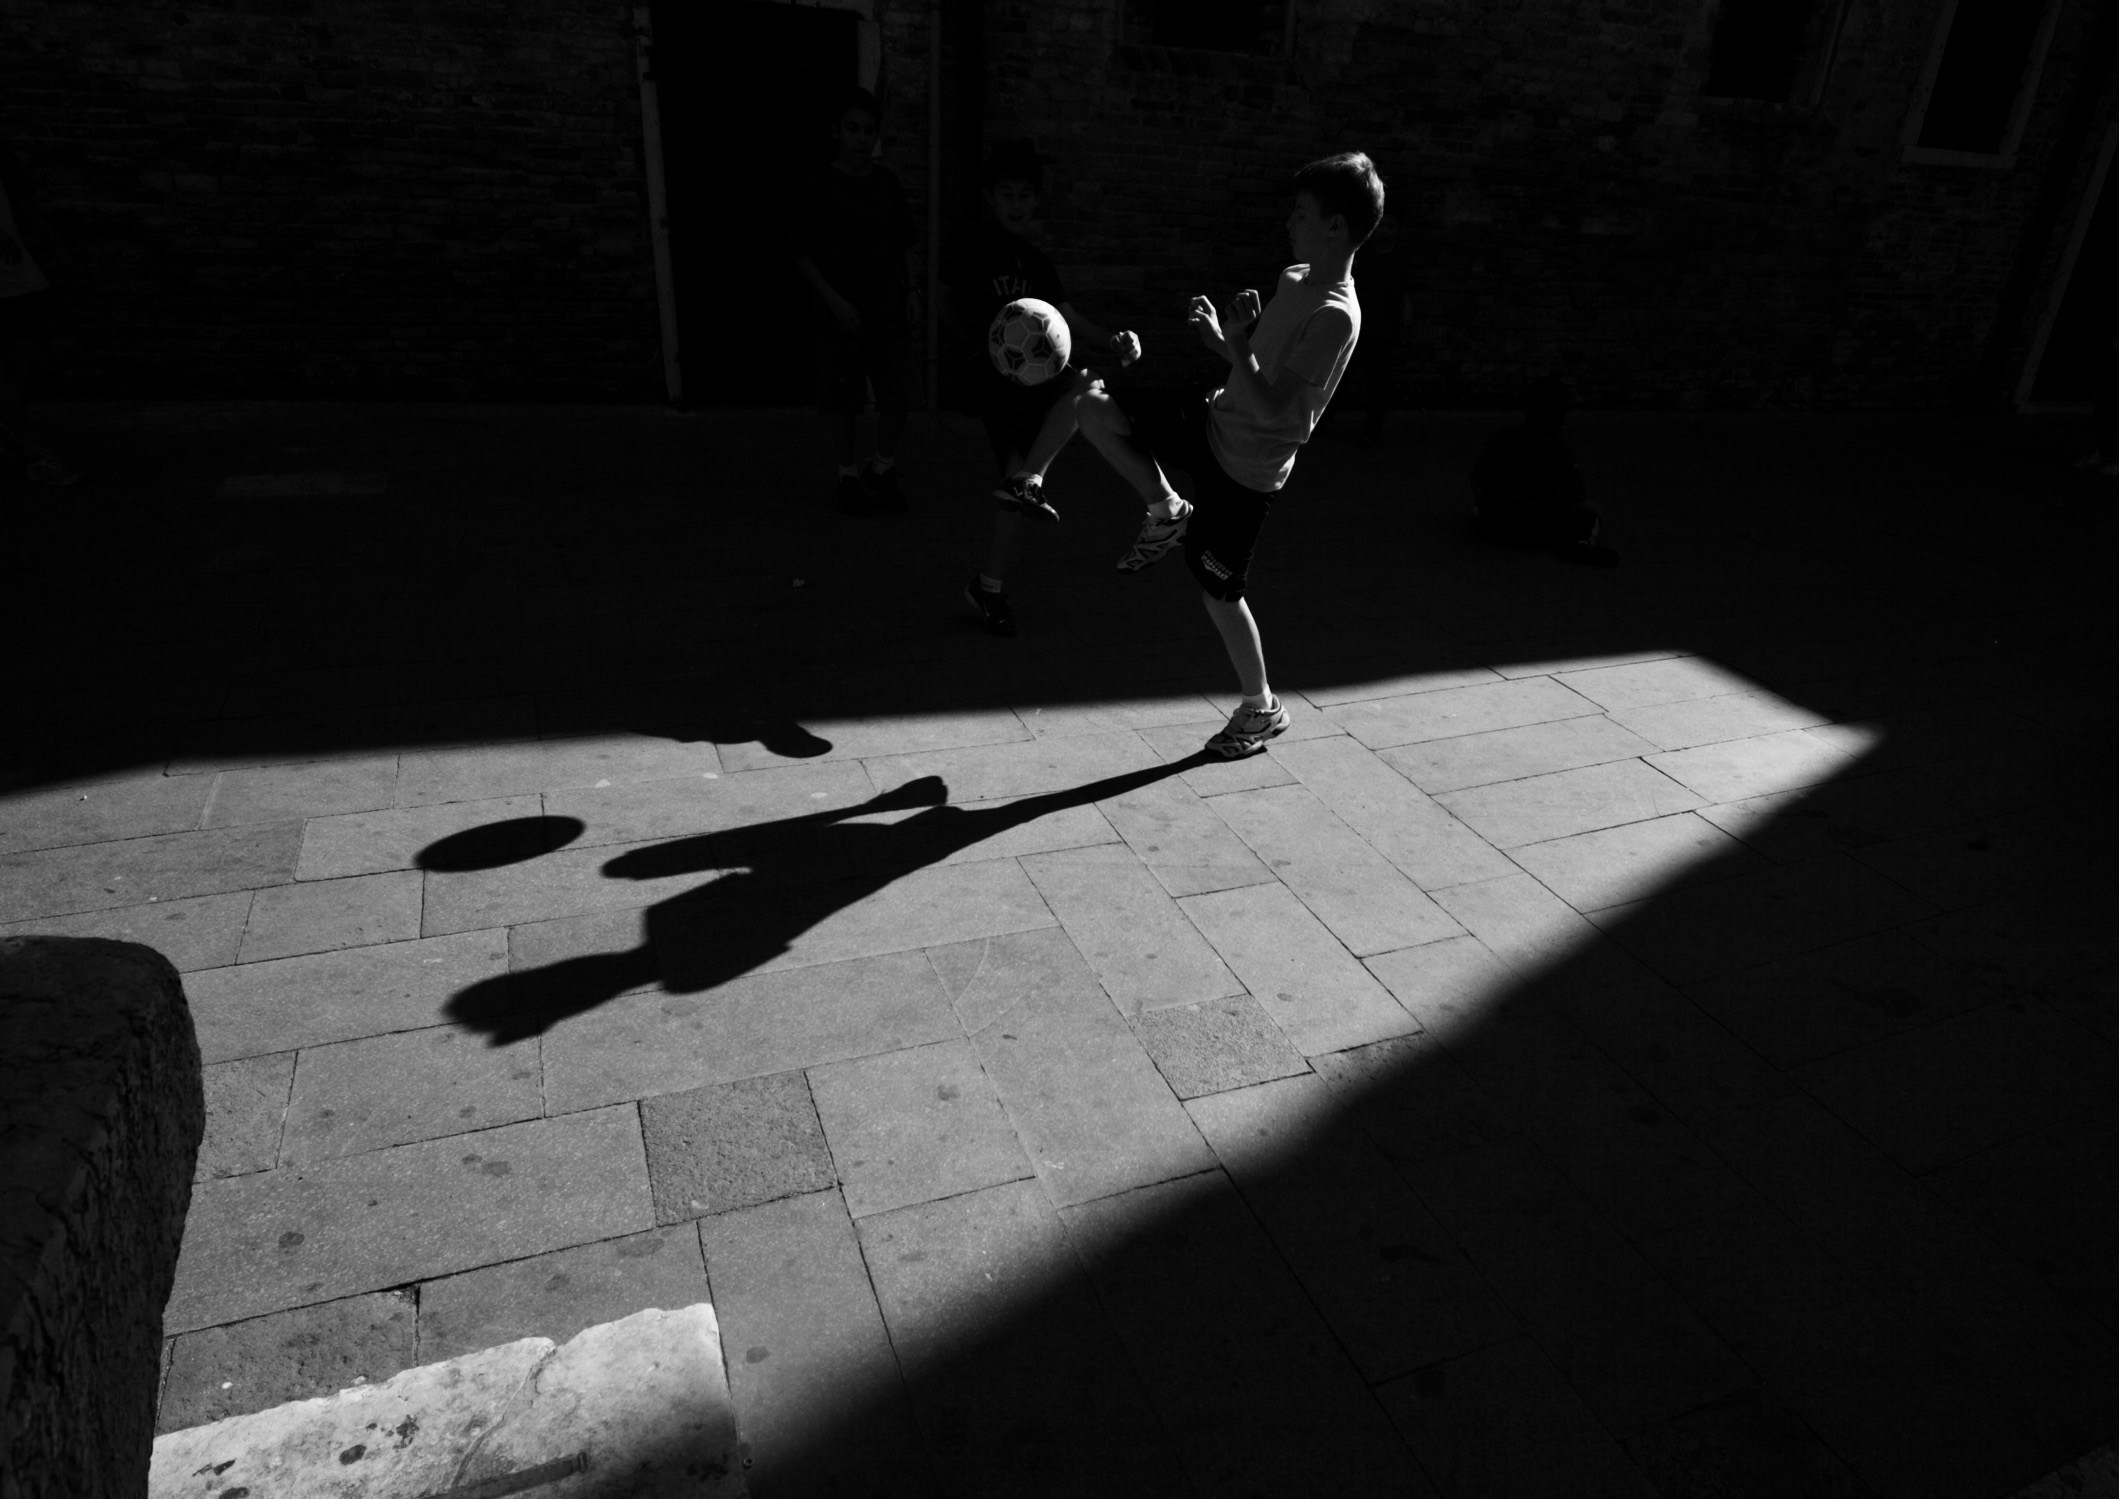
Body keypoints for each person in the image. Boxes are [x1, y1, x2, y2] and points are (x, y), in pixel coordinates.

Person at [1077, 151, 1378, 759]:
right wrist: (1224, 341)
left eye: (1301, 214)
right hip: (1214, 417)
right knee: (1093, 407)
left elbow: (1274, 408)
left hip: (1247, 472)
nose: (1289, 223)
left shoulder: (1336, 318)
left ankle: (1260, 707)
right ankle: (1166, 508)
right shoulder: (1296, 278)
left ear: (1336, 227)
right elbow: (1254, 375)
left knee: (1218, 591)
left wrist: (1238, 342)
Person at [944, 141, 1142, 637]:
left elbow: (1068, 319)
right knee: (1012, 477)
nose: (1016, 205)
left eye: (1025, 196)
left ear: (1035, 201)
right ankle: (989, 584)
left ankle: (1029, 483)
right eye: (1007, 195)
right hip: (999, 381)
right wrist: (971, 348)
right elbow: (946, 300)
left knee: (1088, 381)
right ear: (990, 197)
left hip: (1040, 377)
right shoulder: (974, 247)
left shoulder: (1036, 261)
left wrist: (1112, 339)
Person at [791, 88, 918, 516]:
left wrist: (912, 291)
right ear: (836, 132)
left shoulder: (886, 183)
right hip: (840, 314)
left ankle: (880, 469)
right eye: (852, 129)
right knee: (843, 402)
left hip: (888, 308)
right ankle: (846, 474)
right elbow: (801, 252)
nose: (861, 138)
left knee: (898, 396)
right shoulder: (820, 184)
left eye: (868, 130)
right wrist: (833, 300)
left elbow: (905, 244)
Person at [1469, 378, 1619, 566]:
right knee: (1590, 516)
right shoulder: (1560, 449)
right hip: (1538, 529)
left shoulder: (1504, 437)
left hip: (1495, 526)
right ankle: (1582, 543)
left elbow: (1477, 480)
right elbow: (1577, 500)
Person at [0, 140, 81, 487]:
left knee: (65, 347)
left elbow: (25, 200)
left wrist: (54, 244)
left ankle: (9, 417)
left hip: (16, 265)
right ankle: (35, 455)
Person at [1345, 208, 1411, 446]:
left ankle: (1372, 429)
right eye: (1381, 226)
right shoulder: (1362, 256)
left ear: (1398, 230)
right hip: (1357, 324)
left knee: (1378, 383)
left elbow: (1403, 293)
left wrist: (1403, 318)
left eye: (1391, 226)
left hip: (1383, 329)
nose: (1385, 231)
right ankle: (1318, 421)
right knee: (1339, 376)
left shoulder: (1400, 259)